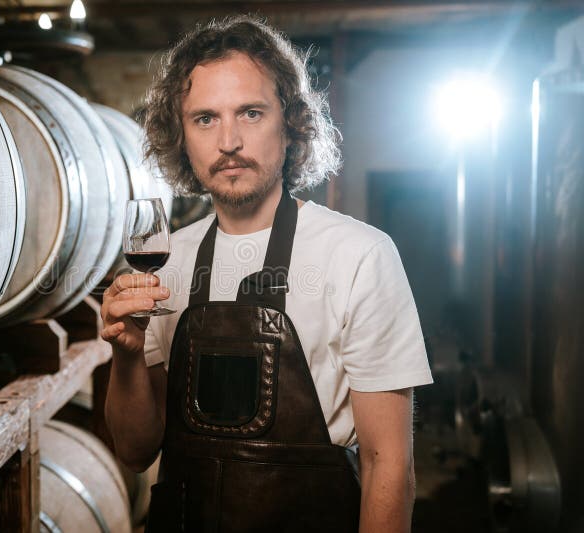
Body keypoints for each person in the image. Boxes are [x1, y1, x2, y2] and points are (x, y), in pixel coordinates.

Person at [100, 15, 433, 533]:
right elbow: (135, 450)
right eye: (205, 118)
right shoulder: (171, 260)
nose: (228, 140)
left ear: (290, 123)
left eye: (250, 113)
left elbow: (387, 463)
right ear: (182, 134)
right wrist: (125, 357)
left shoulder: (360, 254)